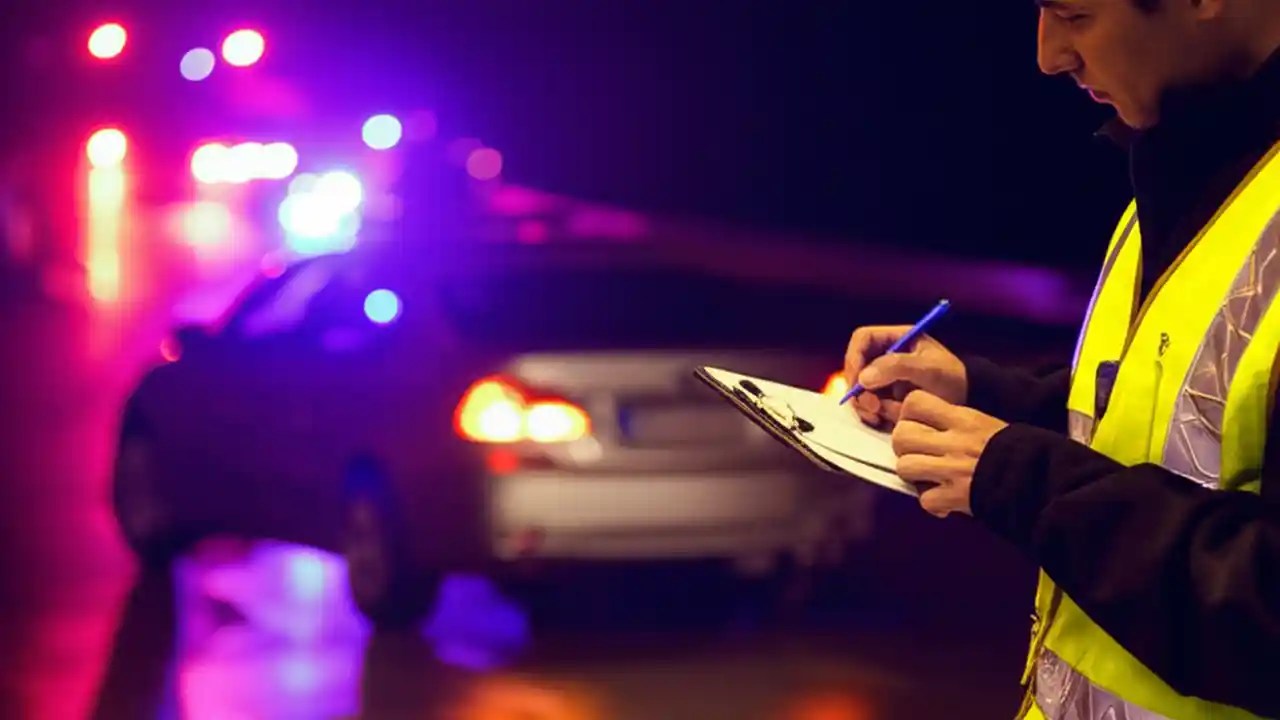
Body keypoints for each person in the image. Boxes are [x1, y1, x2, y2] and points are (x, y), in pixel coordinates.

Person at [843, 1, 1280, 718]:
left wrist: (1024, 476)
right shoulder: (1185, 170)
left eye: (1075, 14)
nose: (1048, 55)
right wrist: (980, 395)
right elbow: (1160, 426)